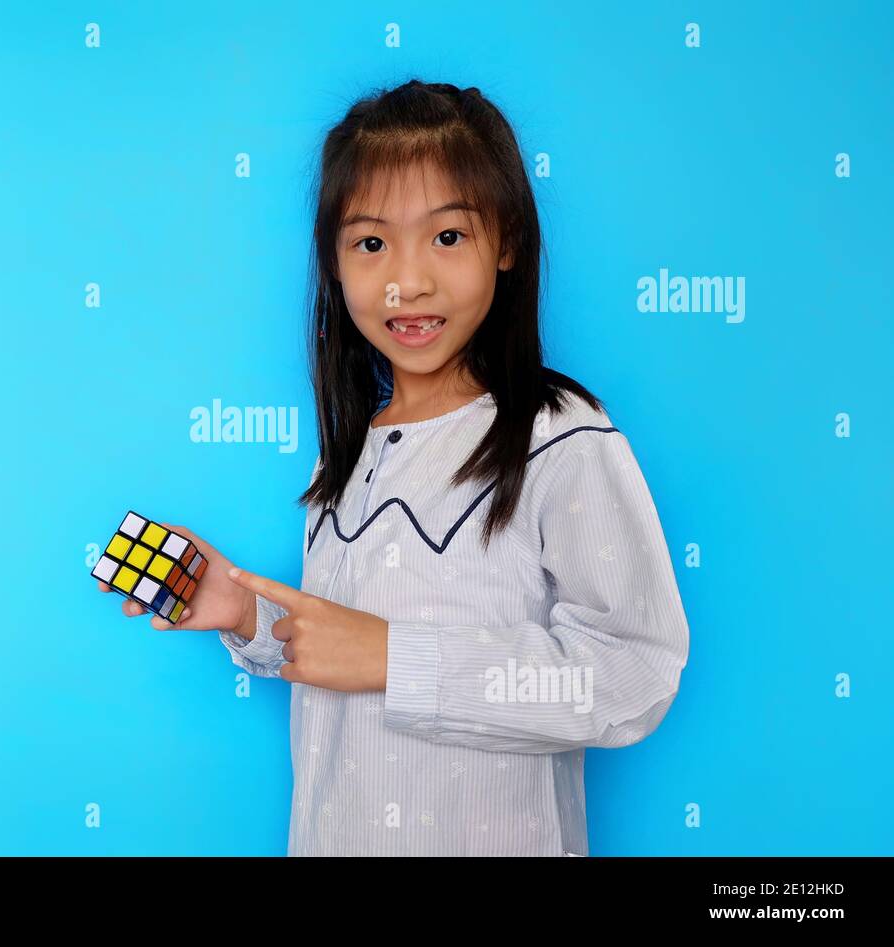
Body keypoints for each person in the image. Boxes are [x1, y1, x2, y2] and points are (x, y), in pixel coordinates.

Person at [99, 79, 689, 856]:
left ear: (506, 241)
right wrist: (244, 611)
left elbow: (627, 673)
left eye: (447, 237)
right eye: (371, 243)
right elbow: (337, 650)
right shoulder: (345, 456)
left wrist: (396, 658)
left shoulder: (558, 434)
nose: (406, 281)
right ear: (335, 263)